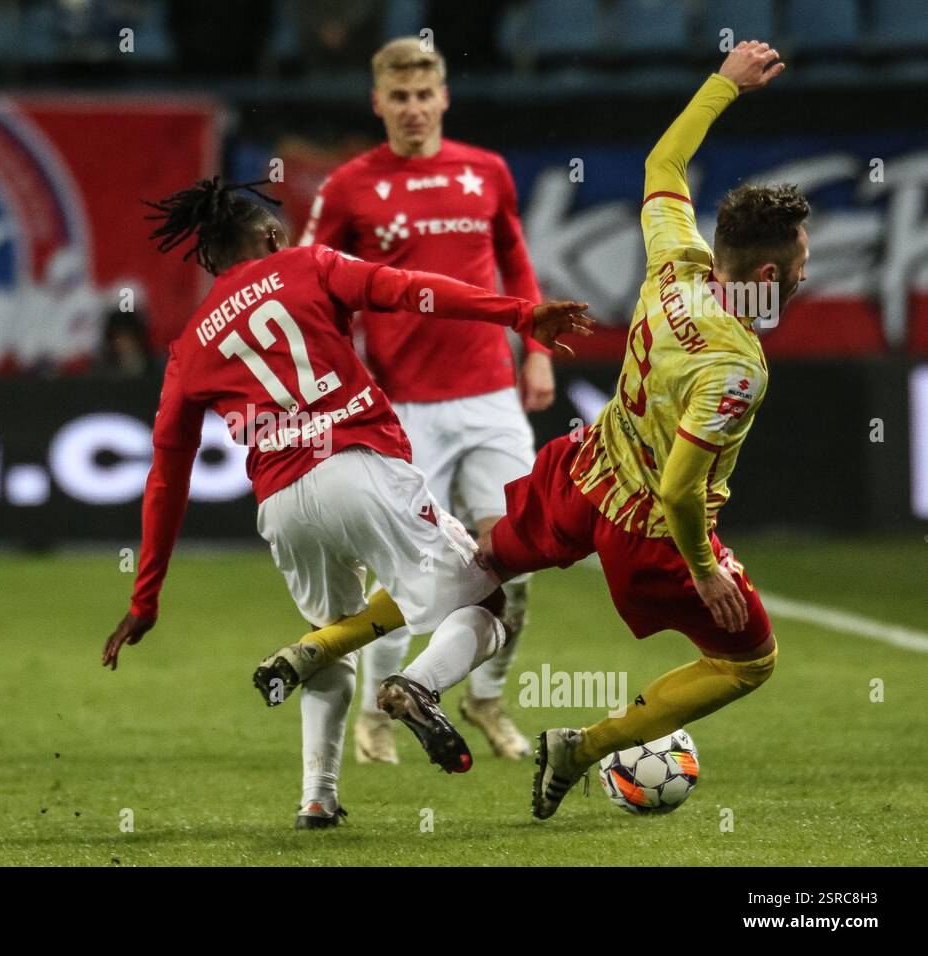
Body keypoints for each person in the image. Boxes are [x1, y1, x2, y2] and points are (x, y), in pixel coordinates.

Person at [263, 40, 802, 821]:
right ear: (765, 278)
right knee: (748, 660)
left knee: (473, 564)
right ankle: (581, 746)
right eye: (799, 266)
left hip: (579, 470)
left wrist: (723, 84)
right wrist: (703, 569)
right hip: (647, 528)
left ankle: (335, 646)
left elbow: (664, 162)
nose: (805, 275)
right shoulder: (738, 366)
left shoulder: (675, 263)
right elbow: (682, 488)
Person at [99, 176, 591, 827]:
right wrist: (519, 315)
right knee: (492, 601)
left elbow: (166, 476)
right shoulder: (307, 263)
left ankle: (317, 798)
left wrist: (145, 598)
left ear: (211, 262)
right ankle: (418, 686)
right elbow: (411, 291)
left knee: (328, 644)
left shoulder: (190, 347)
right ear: (272, 236)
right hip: (358, 466)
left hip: (282, 505)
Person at [300, 35, 552, 762]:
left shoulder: (486, 172)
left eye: (424, 95)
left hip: (490, 396)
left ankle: (486, 700)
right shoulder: (349, 186)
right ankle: (379, 714)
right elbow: (314, 288)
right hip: (403, 409)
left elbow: (516, 262)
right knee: (408, 578)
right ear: (378, 103)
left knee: (520, 563)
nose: (413, 110)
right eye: (399, 98)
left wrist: (534, 348)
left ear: (444, 97)